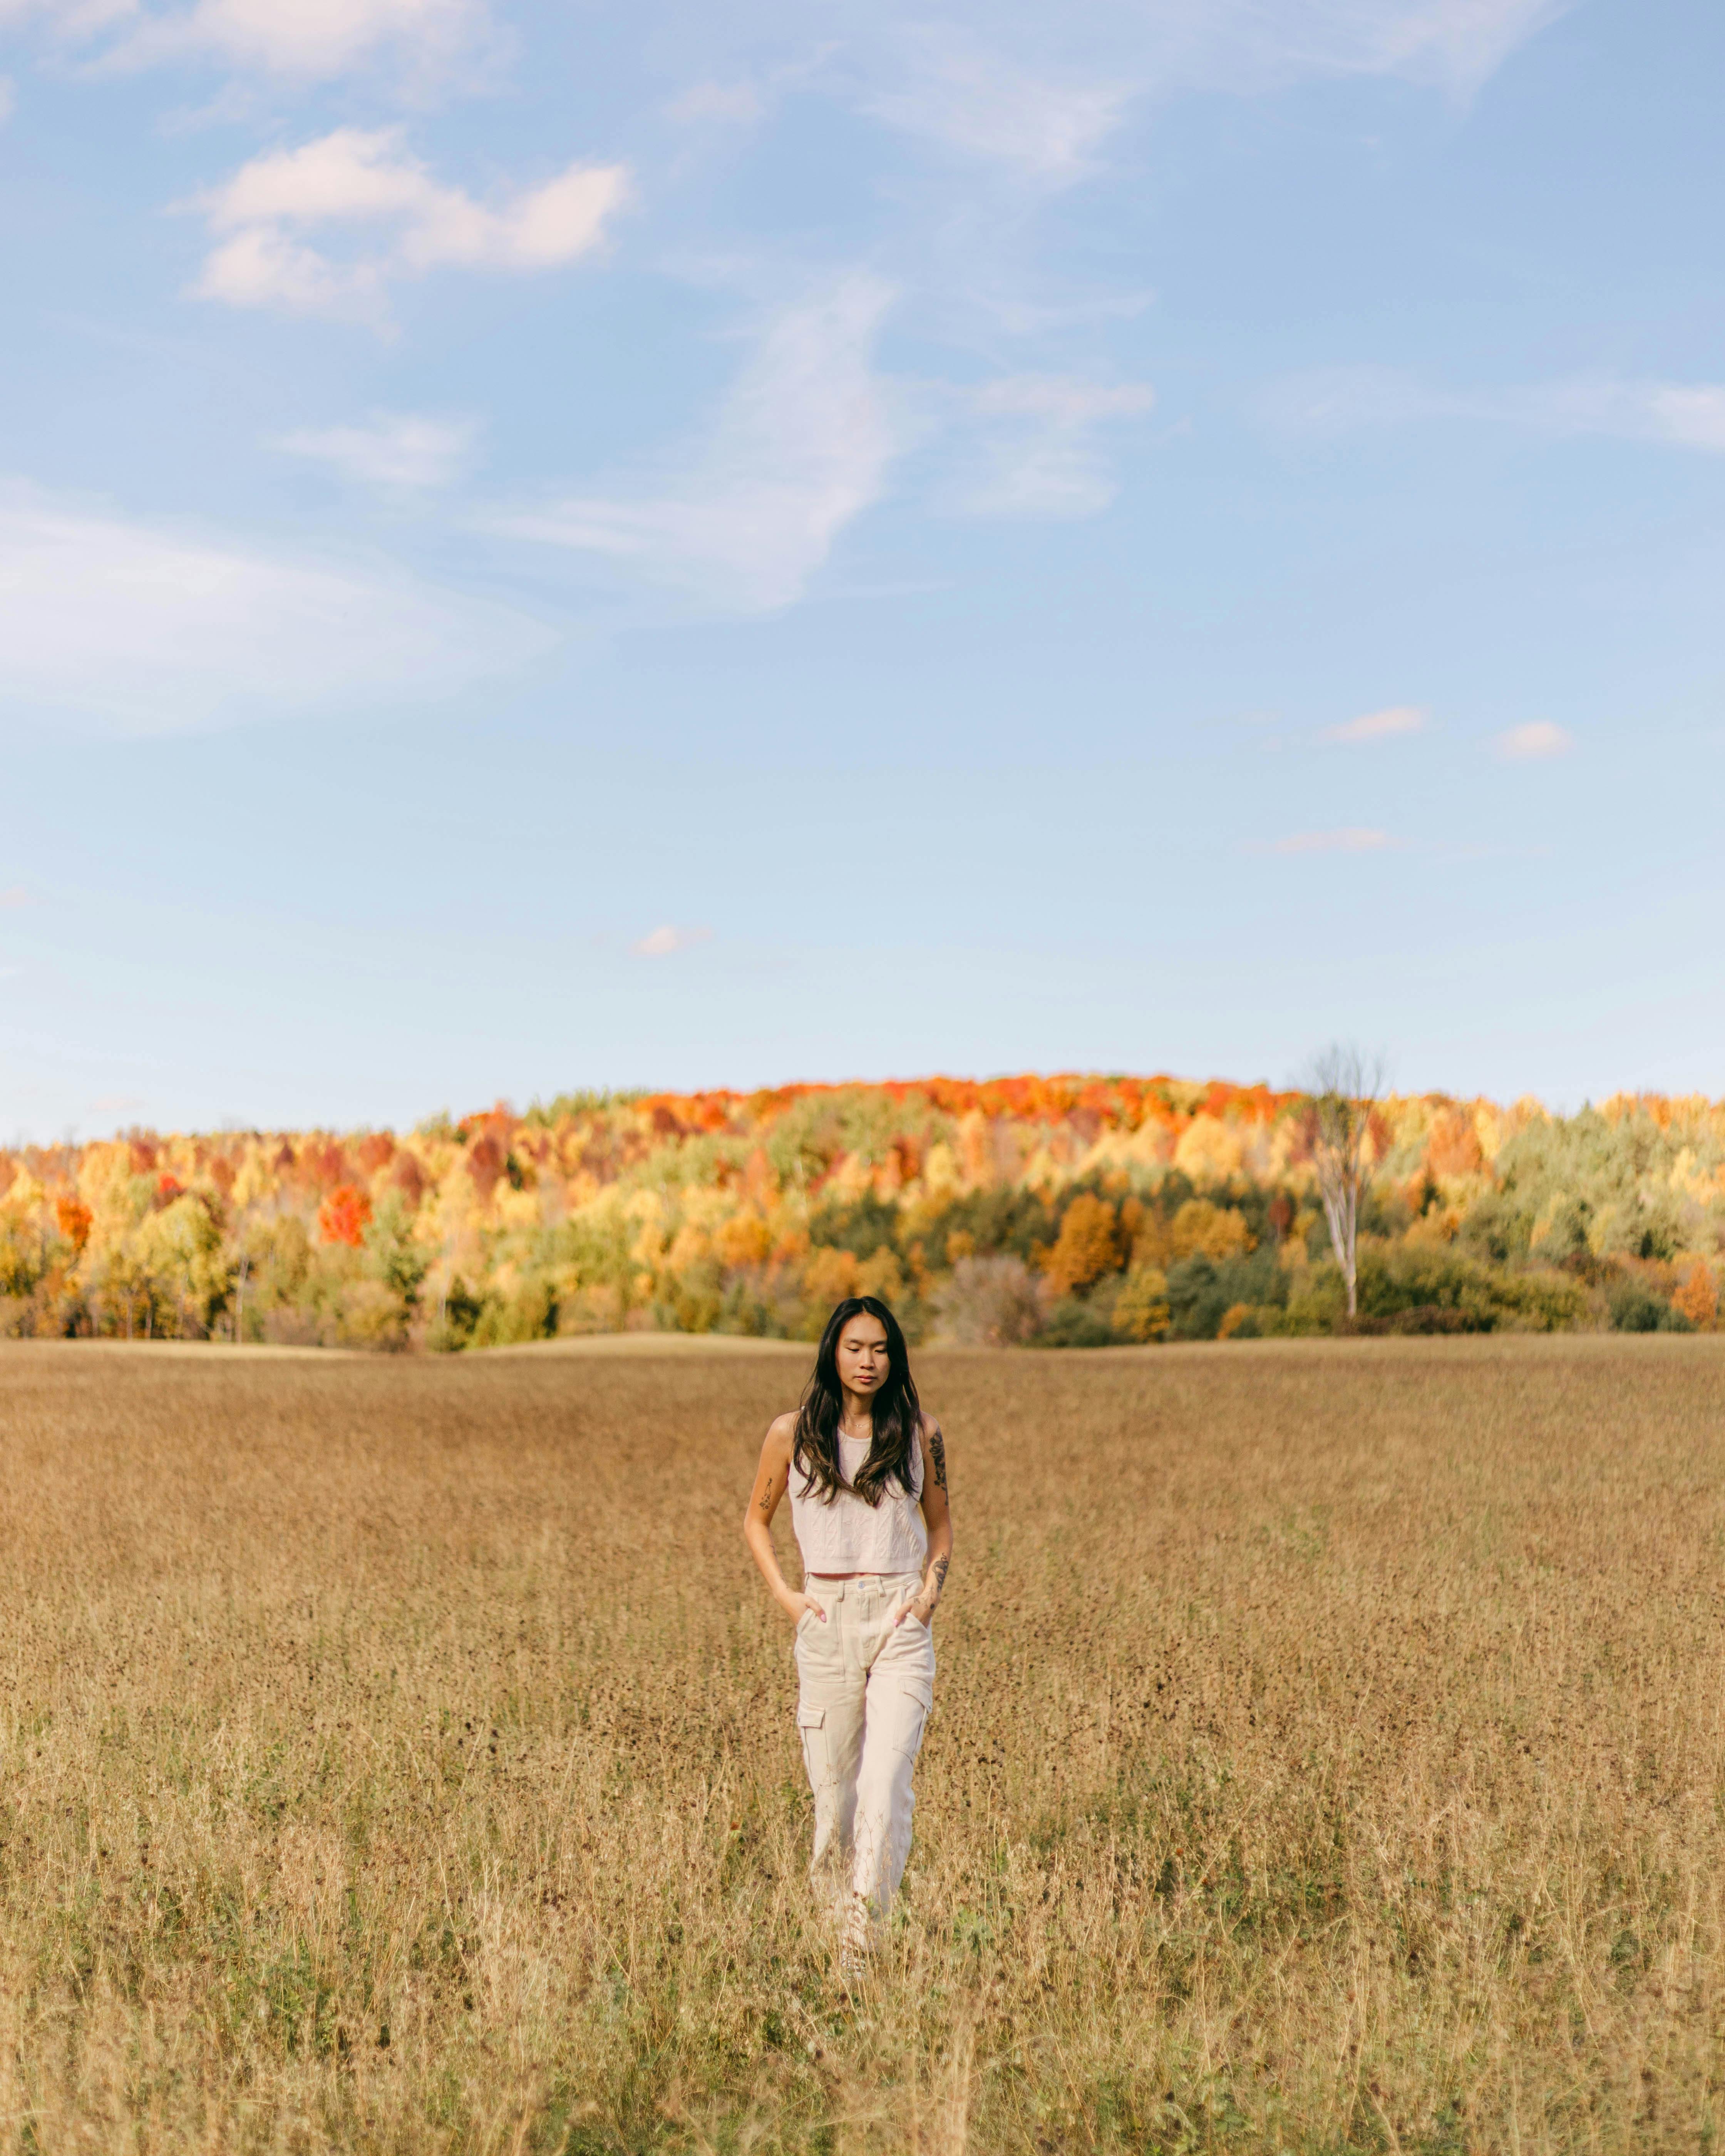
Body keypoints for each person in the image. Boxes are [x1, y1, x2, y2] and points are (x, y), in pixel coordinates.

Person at [742, 1295, 953, 1972]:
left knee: (886, 1783)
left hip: (899, 1620)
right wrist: (787, 1597)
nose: (869, 1361)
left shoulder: (921, 1433)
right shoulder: (793, 1433)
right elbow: (756, 1520)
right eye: (856, 1347)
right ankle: (836, 1932)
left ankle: (860, 1939)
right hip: (827, 1619)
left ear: (895, 1358)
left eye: (881, 1349)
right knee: (835, 1803)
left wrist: (927, 1596)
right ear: (833, 1351)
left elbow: (942, 1527)